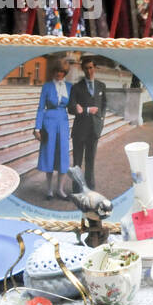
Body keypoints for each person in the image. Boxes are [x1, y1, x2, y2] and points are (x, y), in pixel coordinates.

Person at [34, 59, 73, 200]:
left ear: (65, 73)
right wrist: (37, 128)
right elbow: (40, 108)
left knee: (63, 156)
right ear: (53, 71)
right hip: (48, 123)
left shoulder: (69, 86)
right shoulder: (47, 86)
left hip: (63, 123)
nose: (59, 74)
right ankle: (49, 190)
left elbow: (74, 106)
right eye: (57, 71)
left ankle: (60, 190)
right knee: (49, 155)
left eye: (62, 71)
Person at [67, 56, 107, 190]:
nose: (89, 71)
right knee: (77, 162)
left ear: (94, 68)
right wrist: (87, 110)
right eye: (86, 68)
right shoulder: (76, 87)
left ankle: (90, 188)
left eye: (91, 67)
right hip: (79, 131)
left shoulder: (101, 86)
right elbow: (71, 108)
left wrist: (100, 123)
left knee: (91, 162)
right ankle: (77, 189)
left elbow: (103, 106)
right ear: (82, 69)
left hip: (94, 131)